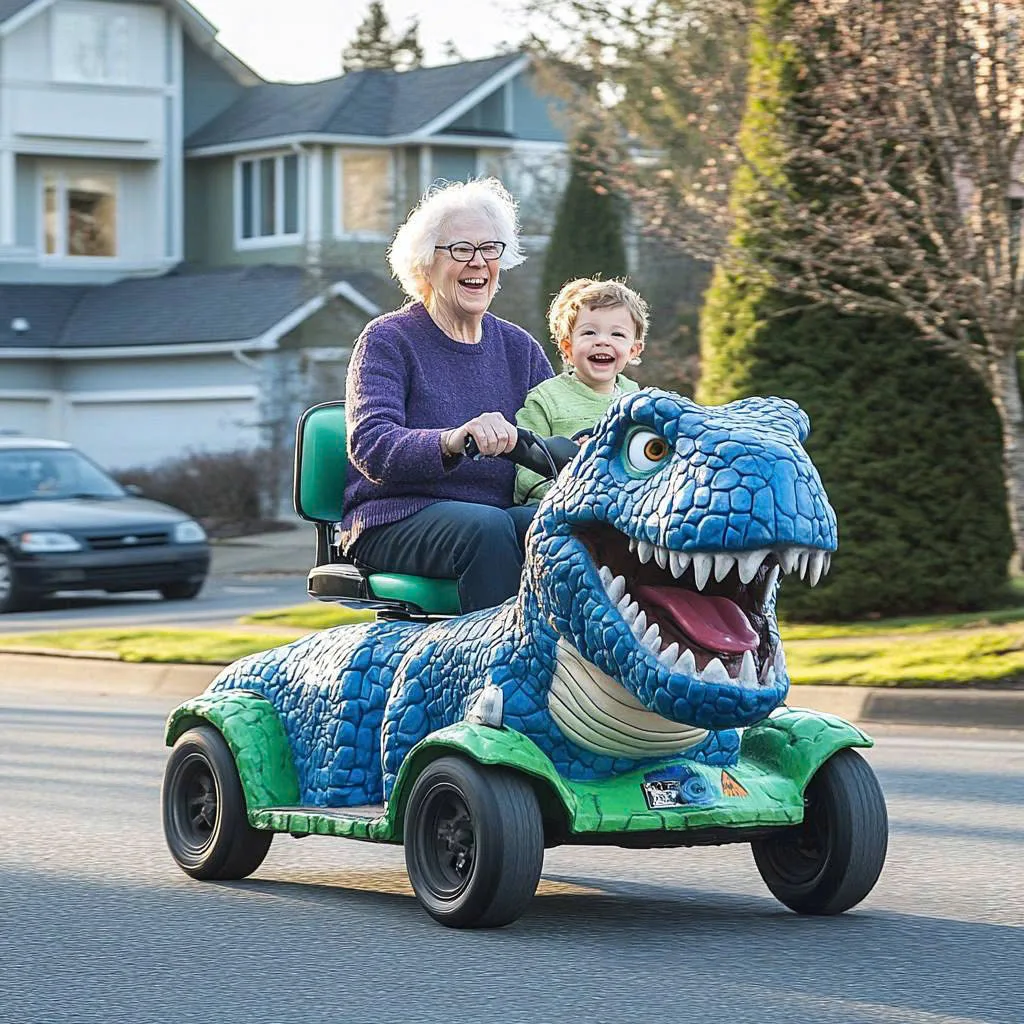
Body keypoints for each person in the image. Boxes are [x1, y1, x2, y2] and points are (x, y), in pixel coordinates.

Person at [340, 177, 554, 612]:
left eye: (489, 249)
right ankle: (503, 672)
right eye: (460, 250)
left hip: (495, 514)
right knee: (487, 529)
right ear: (424, 266)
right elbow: (372, 446)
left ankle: (583, 669)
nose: (478, 263)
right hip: (395, 515)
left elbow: (553, 434)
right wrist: (452, 440)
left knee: (567, 527)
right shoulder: (388, 339)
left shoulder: (520, 348)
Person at [514, 277, 649, 504]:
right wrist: (570, 478)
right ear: (568, 347)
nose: (602, 342)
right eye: (589, 333)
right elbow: (527, 472)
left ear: (633, 350)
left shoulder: (636, 400)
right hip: (560, 510)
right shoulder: (545, 399)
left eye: (617, 334)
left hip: (624, 507)